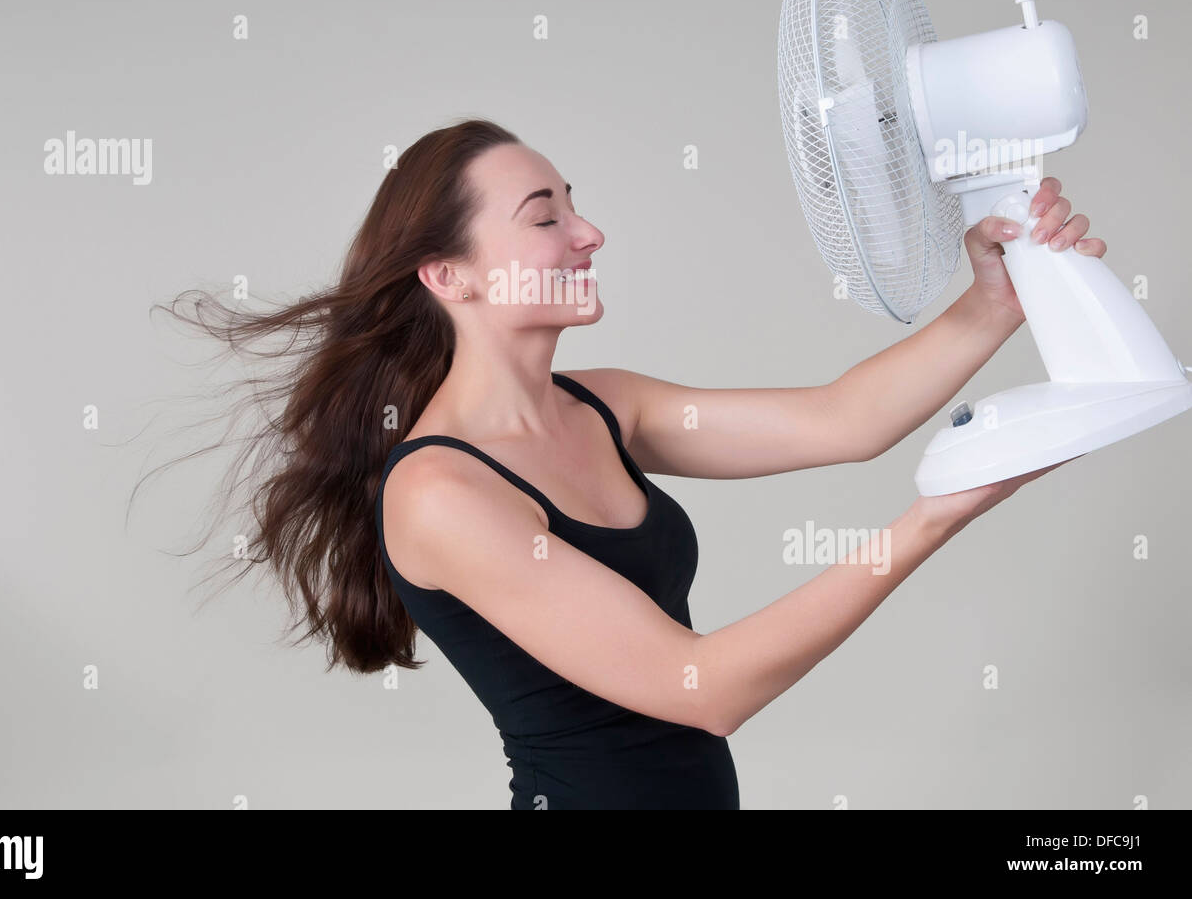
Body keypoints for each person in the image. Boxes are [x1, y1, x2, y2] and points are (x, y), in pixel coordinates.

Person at [149, 117, 1106, 809]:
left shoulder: (607, 404)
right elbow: (704, 688)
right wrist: (934, 515)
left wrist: (994, 300)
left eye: (576, 204)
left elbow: (843, 419)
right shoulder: (440, 490)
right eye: (544, 215)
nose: (588, 232)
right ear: (449, 275)